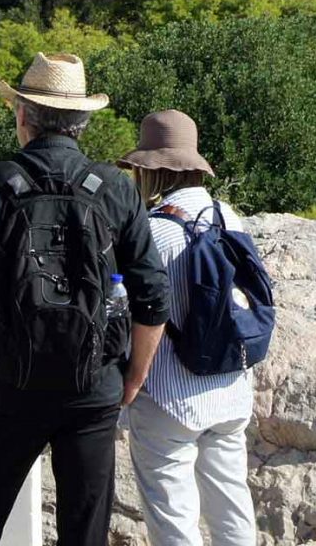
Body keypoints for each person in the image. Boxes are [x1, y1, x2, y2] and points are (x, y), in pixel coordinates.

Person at [0, 53, 170, 546]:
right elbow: (153, 298)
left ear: (23, 115)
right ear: (82, 123)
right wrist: (131, 377)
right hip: (92, 388)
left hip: (7, 388)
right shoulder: (115, 189)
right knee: (84, 533)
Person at [119, 110, 258, 546]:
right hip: (231, 386)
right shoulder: (228, 216)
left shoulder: (151, 231)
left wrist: (131, 381)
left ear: (150, 169)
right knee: (231, 506)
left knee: (174, 519)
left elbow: (136, 313)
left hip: (168, 395)